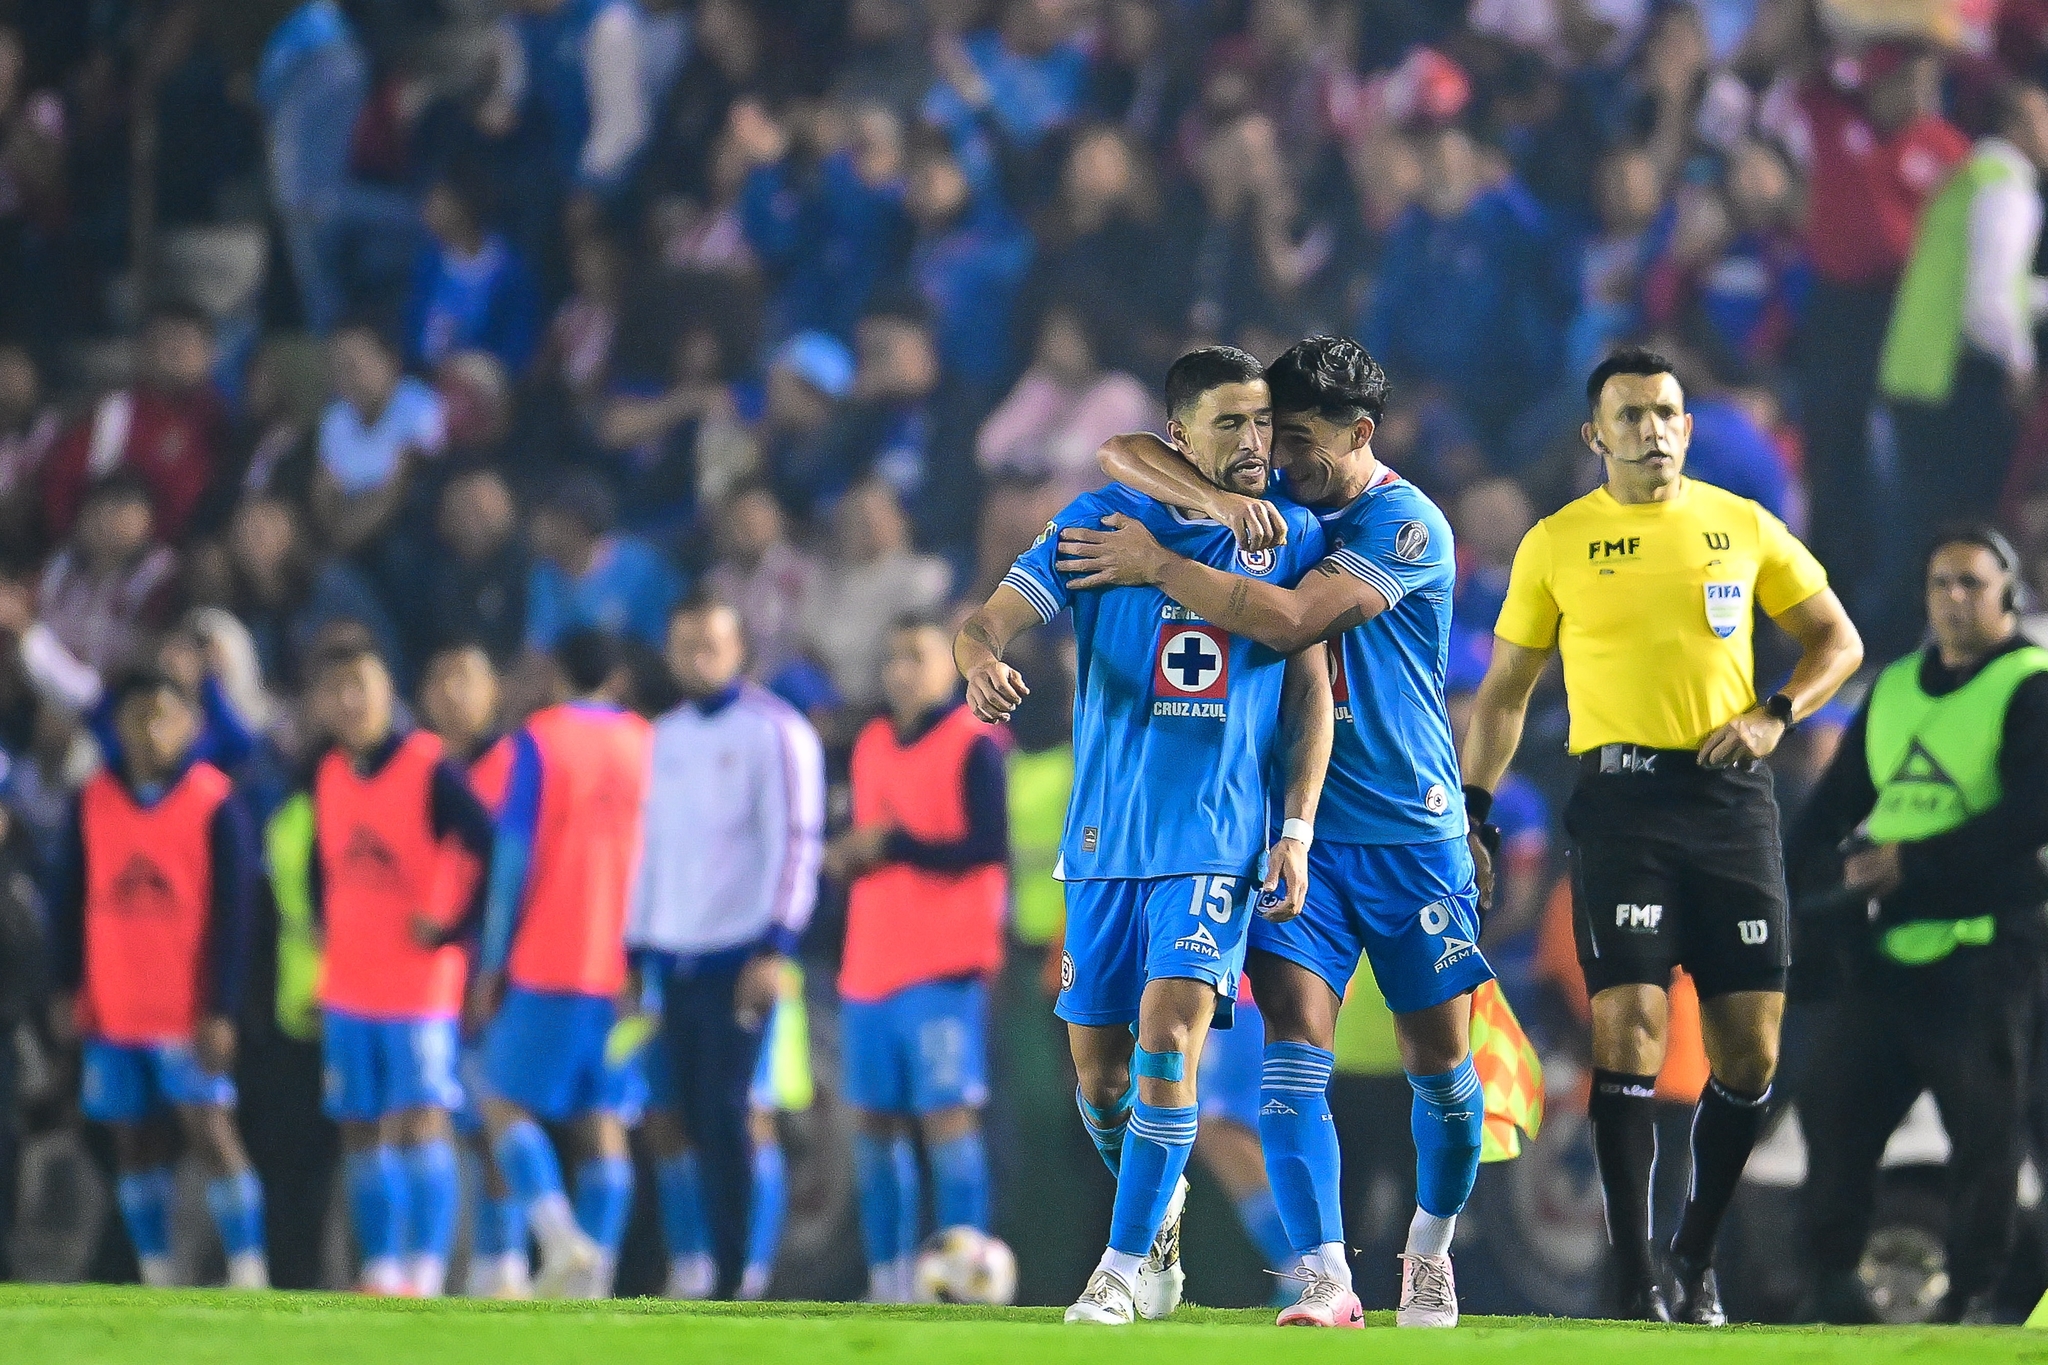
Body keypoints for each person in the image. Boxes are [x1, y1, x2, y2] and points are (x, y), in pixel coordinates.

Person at [1062, 336, 1493, 1328]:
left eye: (1294, 437)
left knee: (1442, 1069)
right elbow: (1124, 450)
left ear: (1359, 435)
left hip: (1409, 828)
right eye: (1262, 430)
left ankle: (1428, 1248)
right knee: (1291, 1052)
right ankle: (1326, 1277)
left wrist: (1160, 563)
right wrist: (1210, 505)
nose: (1275, 454)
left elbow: (1295, 622)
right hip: (1297, 838)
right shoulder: (1273, 515)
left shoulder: (1406, 525)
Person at [1459, 347, 1862, 1322]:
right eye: (1630, 415)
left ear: (1686, 426)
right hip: (1622, 803)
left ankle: (1693, 1255)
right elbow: (1507, 693)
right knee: (1625, 1030)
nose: (1651, 430)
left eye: (1666, 413)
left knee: (1747, 1056)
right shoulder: (1557, 542)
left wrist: (1774, 713)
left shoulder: (1739, 526)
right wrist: (1470, 808)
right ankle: (1636, 1269)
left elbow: (1836, 642)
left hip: (1728, 804)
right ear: (1595, 435)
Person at [954, 345, 1334, 1326]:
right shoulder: (1096, 522)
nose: (1254, 443)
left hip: (1211, 845)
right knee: (1099, 1076)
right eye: (1231, 425)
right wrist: (977, 660)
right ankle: (1157, 1219)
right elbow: (989, 618)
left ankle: (1119, 1270)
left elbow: (1309, 694)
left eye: (1262, 423)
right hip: (1100, 849)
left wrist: (1291, 827)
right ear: (1182, 436)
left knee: (1171, 1042)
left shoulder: (1287, 535)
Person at [1789, 525, 2048, 1325]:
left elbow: (2029, 814)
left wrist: (1915, 860)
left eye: (1972, 582)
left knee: (1986, 1132)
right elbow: (1830, 808)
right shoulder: (1896, 684)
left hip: (1984, 945)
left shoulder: (2031, 683)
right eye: (1941, 583)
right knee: (1833, 1110)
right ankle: (1832, 1283)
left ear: (2009, 593)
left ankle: (1977, 1293)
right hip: (1887, 944)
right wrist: (1803, 884)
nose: (1955, 598)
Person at [627, 594, 824, 1300]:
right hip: (669, 954)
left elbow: (796, 840)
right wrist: (633, 951)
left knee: (738, 1111)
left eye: (711, 644)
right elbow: (643, 854)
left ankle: (746, 1272)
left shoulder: (776, 731)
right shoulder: (662, 736)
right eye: (684, 644)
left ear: (740, 649)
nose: (697, 658)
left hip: (741, 952)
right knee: (671, 1116)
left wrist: (774, 946)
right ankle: (694, 1264)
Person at [47, 669, 268, 1289]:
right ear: (116, 725)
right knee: (132, 1137)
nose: (149, 730)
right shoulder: (91, 799)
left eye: (163, 715)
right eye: (136, 716)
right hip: (113, 1003)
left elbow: (235, 913)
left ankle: (250, 1270)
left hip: (185, 1006)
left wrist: (221, 1007)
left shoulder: (214, 801)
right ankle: (157, 1273)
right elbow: (66, 900)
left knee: (211, 1131)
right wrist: (67, 985)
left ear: (190, 725)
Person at [825, 614, 1008, 1302]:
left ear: (949, 667)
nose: (902, 670)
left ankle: (966, 1276)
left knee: (946, 1117)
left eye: (917, 656)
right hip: (869, 963)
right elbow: (869, 835)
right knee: (873, 1122)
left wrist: (895, 846)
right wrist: (849, 856)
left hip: (943, 962)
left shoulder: (974, 744)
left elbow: (988, 846)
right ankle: (890, 1278)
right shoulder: (871, 741)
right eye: (892, 658)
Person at [308, 639, 496, 1297]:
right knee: (359, 1121)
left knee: (421, 1116)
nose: (351, 701)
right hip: (349, 982)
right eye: (337, 689)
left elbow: (488, 844)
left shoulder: (429, 767)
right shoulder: (330, 770)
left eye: (362, 684)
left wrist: (452, 928)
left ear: (390, 692)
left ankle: (425, 1267)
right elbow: (321, 861)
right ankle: (381, 1267)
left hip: (418, 985)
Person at [472, 629, 654, 1298]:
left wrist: (492, 960)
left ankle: (557, 1237)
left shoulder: (541, 739)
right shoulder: (650, 743)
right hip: (629, 965)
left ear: (556, 673)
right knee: (604, 1117)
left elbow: (511, 858)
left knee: (501, 1102)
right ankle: (595, 1272)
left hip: (552, 953)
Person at [1879, 81, 2048, 651]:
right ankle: (1950, 646)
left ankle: (1913, 641)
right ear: (2024, 118)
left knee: (1922, 523)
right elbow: (1989, 305)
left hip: (1916, 375)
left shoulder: (1970, 175)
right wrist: (2021, 364)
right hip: (1958, 382)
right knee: (1962, 526)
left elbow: (1991, 282)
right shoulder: (2010, 188)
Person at [413, 640, 527, 1298]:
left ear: (494, 691)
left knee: (496, 1112)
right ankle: (486, 1261)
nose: (452, 692)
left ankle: (505, 1259)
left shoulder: (513, 765)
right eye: (440, 678)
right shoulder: (424, 768)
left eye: (466, 677)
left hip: (497, 968)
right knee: (462, 1118)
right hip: (434, 972)